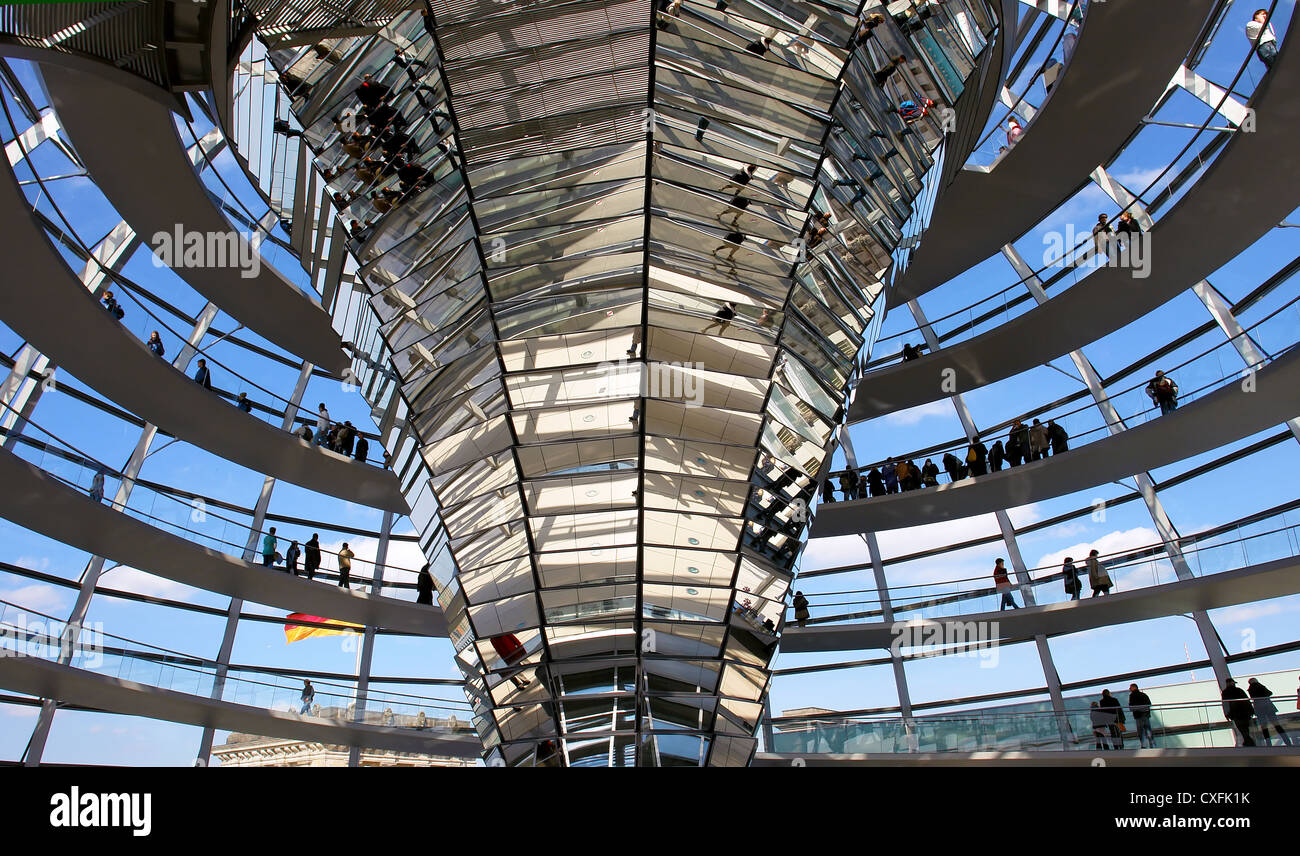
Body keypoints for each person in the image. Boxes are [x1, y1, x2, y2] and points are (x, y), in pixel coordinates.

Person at [1247, 677, 1292, 746]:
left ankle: (1268, 743)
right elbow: (1269, 693)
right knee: (1276, 725)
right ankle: (1287, 741)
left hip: (1259, 708)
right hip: (1268, 707)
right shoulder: (1261, 686)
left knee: (1264, 727)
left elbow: (1253, 697)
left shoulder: (1250, 689)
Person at [1222, 678, 1256, 746]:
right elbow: (1247, 700)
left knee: (1241, 728)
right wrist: (1251, 710)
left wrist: (1227, 714)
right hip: (1244, 712)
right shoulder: (1239, 690)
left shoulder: (1225, 692)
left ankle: (1248, 741)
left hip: (1235, 714)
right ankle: (1248, 742)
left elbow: (1225, 704)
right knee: (1245, 727)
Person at [1128, 683, 1154, 748]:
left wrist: (1137, 709)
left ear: (1134, 688)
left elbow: (1131, 707)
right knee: (1148, 730)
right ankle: (1152, 744)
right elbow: (1149, 704)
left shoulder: (1132, 696)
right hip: (1145, 715)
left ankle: (1143, 745)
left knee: (1141, 732)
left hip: (1138, 716)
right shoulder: (1143, 694)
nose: (1129, 689)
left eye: (1130, 687)